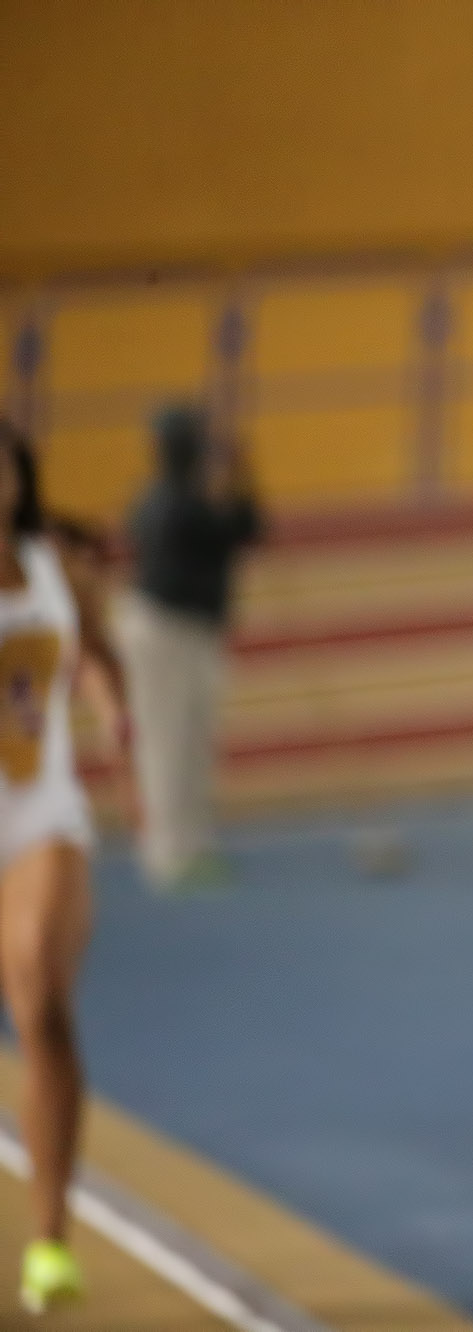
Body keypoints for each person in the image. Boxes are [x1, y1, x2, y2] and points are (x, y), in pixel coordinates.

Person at [0, 423, 130, 1314]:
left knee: (41, 999)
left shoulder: (50, 561)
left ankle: (48, 1240)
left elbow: (90, 641)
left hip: (41, 812)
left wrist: (108, 700)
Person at [117, 404, 260, 890]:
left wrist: (241, 478)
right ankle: (164, 852)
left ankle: (193, 840)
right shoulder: (165, 502)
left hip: (196, 634)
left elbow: (247, 529)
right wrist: (231, 484)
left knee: (195, 739)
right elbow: (230, 531)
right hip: (162, 633)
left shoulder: (193, 499)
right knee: (164, 741)